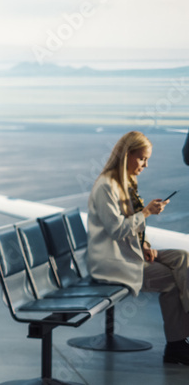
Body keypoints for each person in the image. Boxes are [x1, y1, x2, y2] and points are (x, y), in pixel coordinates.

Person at [86, 131, 189, 365]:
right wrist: (146, 212)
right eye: (142, 158)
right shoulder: (107, 186)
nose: (145, 165)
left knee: (182, 258)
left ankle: (179, 343)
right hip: (112, 263)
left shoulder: (127, 182)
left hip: (129, 252)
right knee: (172, 281)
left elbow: (130, 227)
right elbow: (116, 230)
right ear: (126, 155)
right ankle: (177, 346)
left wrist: (144, 244)